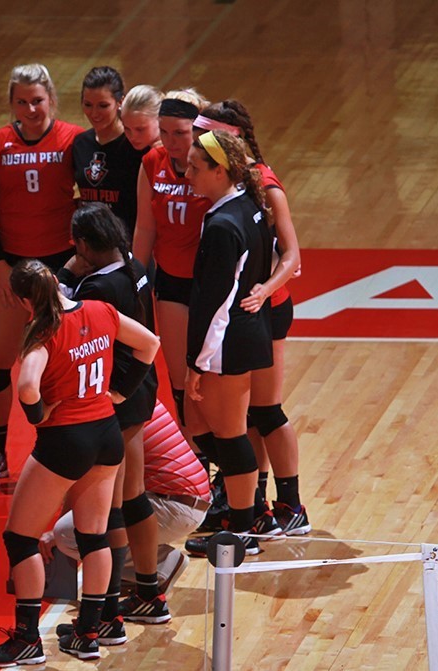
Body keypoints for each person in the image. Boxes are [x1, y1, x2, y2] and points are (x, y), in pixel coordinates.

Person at [0, 260, 159, 665]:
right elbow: (149, 344)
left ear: (26, 301)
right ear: (58, 283)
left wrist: (38, 414)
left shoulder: (41, 332)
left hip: (66, 441)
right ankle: (90, 632)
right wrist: (121, 393)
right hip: (107, 435)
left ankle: (26, 639)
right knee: (95, 536)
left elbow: (26, 386)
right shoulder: (99, 309)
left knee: (20, 539)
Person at [193, 100, 310, 536]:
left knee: (266, 410)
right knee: (243, 419)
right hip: (243, 313)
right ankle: (254, 504)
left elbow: (292, 254)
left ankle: (291, 504)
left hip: (267, 311)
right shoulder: (226, 184)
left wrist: (266, 288)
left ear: (233, 139)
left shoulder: (264, 183)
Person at [53, 202, 171, 628]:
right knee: (134, 497)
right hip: (141, 392)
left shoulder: (97, 292)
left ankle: (106, 610)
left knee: (110, 507)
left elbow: (66, 320)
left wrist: (66, 276)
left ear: (84, 244)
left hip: (114, 400)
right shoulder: (136, 266)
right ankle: (148, 592)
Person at [0, 63, 84, 486]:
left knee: (62, 361)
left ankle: (64, 450)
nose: (31, 108)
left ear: (51, 98)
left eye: (38, 100)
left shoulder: (73, 139)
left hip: (61, 266)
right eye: (22, 101)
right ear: (11, 103)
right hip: (12, 267)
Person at [181, 131, 274, 556]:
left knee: (231, 436)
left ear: (220, 171)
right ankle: (249, 516)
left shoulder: (221, 224)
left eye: (196, 168)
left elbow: (215, 302)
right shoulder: (246, 206)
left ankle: (242, 532)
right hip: (245, 333)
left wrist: (196, 364)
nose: (188, 175)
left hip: (225, 342)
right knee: (215, 430)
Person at [46, 400, 209, 597]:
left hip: (172, 505)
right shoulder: (124, 395)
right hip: (188, 499)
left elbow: (86, 477)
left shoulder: (99, 408)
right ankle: (141, 572)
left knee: (66, 533)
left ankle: (161, 564)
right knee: (110, 508)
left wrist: (53, 534)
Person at [132, 89, 211, 460]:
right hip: (172, 282)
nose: (171, 141)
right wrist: (132, 279)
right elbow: (145, 229)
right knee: (180, 380)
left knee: (212, 377)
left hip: (211, 284)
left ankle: (225, 459)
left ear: (197, 130)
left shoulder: (212, 164)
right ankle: (195, 458)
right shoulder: (152, 162)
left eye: (180, 132)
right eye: (164, 132)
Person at [73, 69, 161, 241]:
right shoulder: (80, 143)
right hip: (93, 246)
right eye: (88, 104)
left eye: (103, 105)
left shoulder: (139, 146)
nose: (94, 113)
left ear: (120, 102)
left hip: (131, 245)